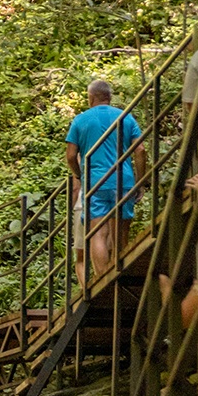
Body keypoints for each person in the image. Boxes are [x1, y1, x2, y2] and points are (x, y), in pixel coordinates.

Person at [66, 79, 145, 282]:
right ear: (109, 97)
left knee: (97, 233)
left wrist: (79, 175)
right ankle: (121, 273)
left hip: (95, 182)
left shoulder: (80, 120)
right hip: (123, 180)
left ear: (91, 97)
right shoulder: (126, 117)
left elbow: (70, 155)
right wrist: (140, 181)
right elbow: (141, 150)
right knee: (121, 234)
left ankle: (104, 281)